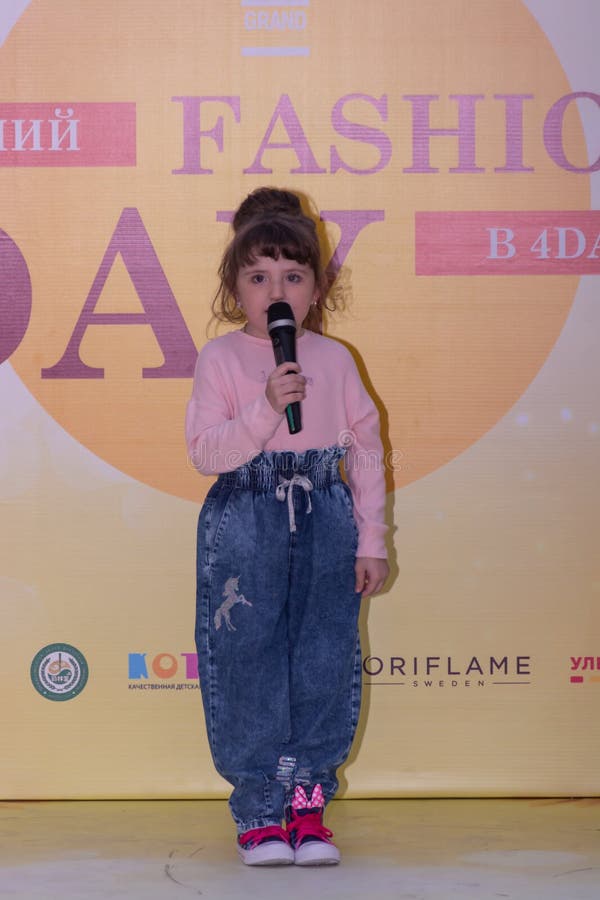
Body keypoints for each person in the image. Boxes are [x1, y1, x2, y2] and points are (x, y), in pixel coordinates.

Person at [185, 188, 389, 867]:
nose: (278, 289)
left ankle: (308, 804)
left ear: (315, 287)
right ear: (234, 286)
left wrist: (370, 539)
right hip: (246, 515)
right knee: (248, 660)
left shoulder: (334, 360)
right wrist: (266, 410)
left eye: (294, 276)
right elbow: (207, 454)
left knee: (323, 657)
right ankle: (260, 808)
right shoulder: (220, 360)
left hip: (325, 515)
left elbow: (364, 449)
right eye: (259, 276)